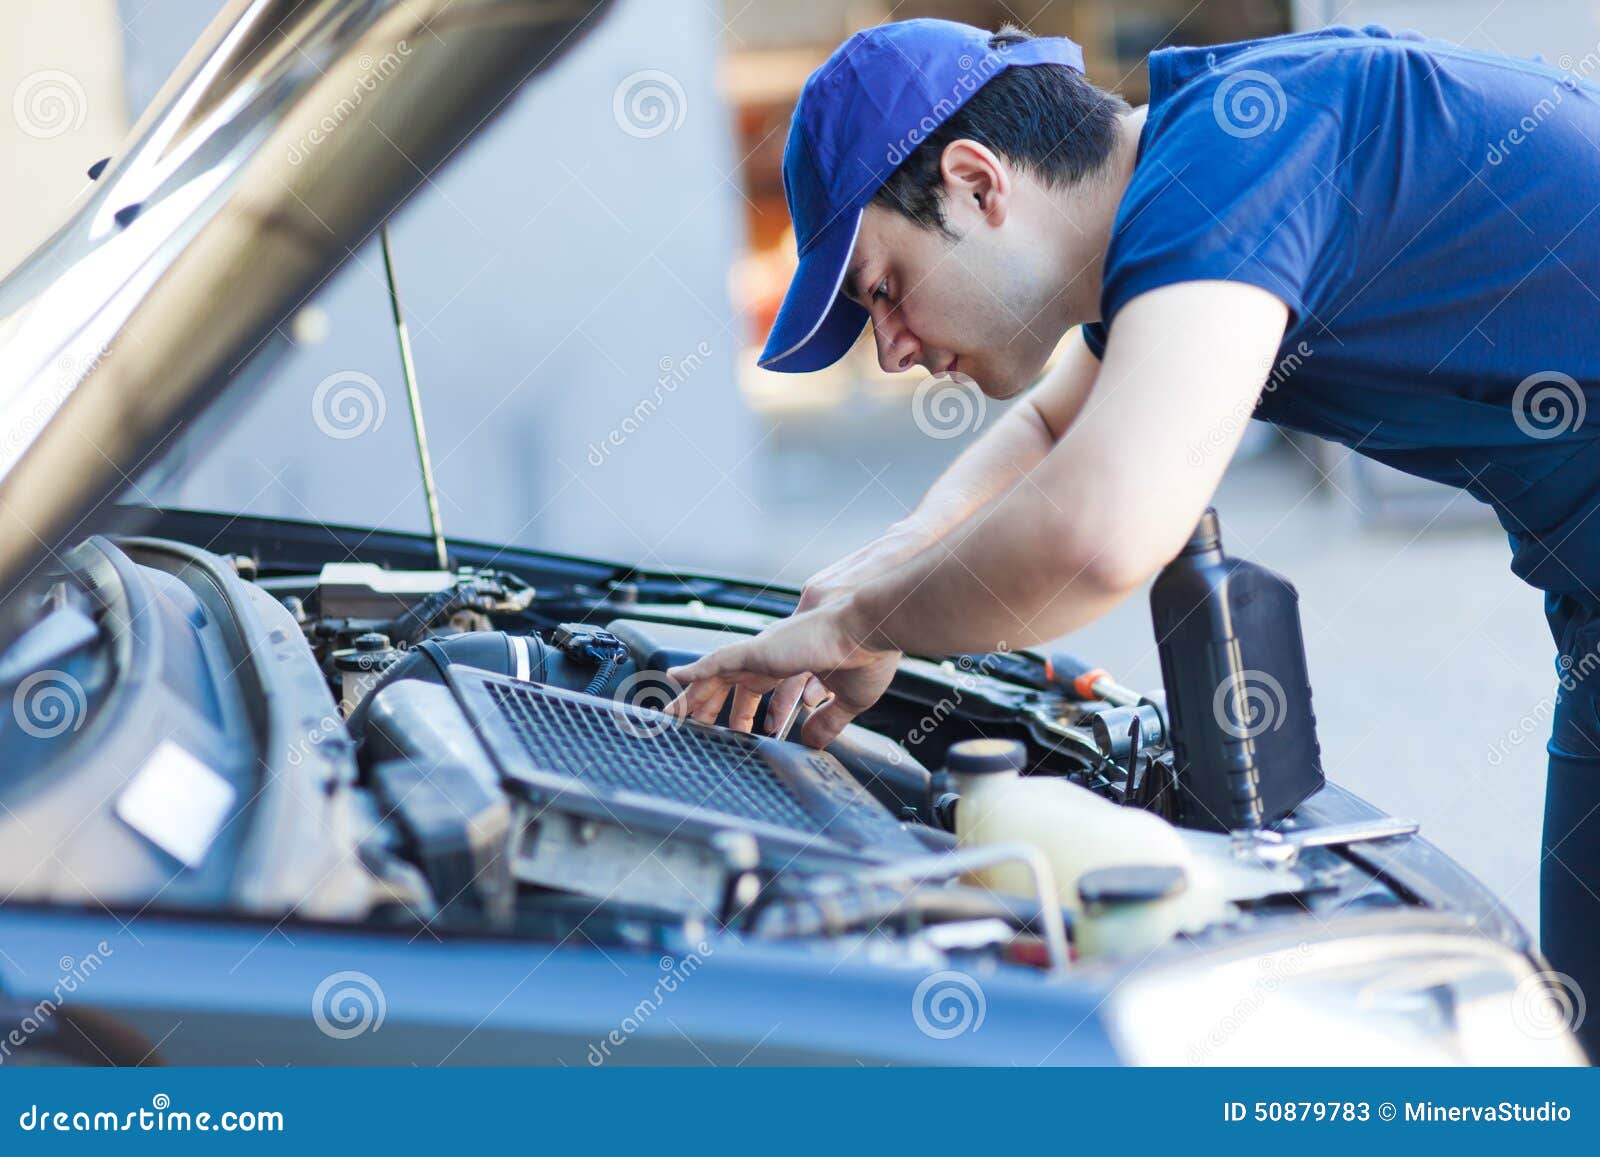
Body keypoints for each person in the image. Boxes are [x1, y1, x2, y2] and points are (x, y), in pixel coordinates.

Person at [666, 19, 1600, 1053]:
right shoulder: (1183, 195)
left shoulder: (1243, 151)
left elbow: (1104, 530)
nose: (890, 351)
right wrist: (886, 566)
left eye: (883, 289)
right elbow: (1051, 430)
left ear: (978, 184)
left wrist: (862, 626)